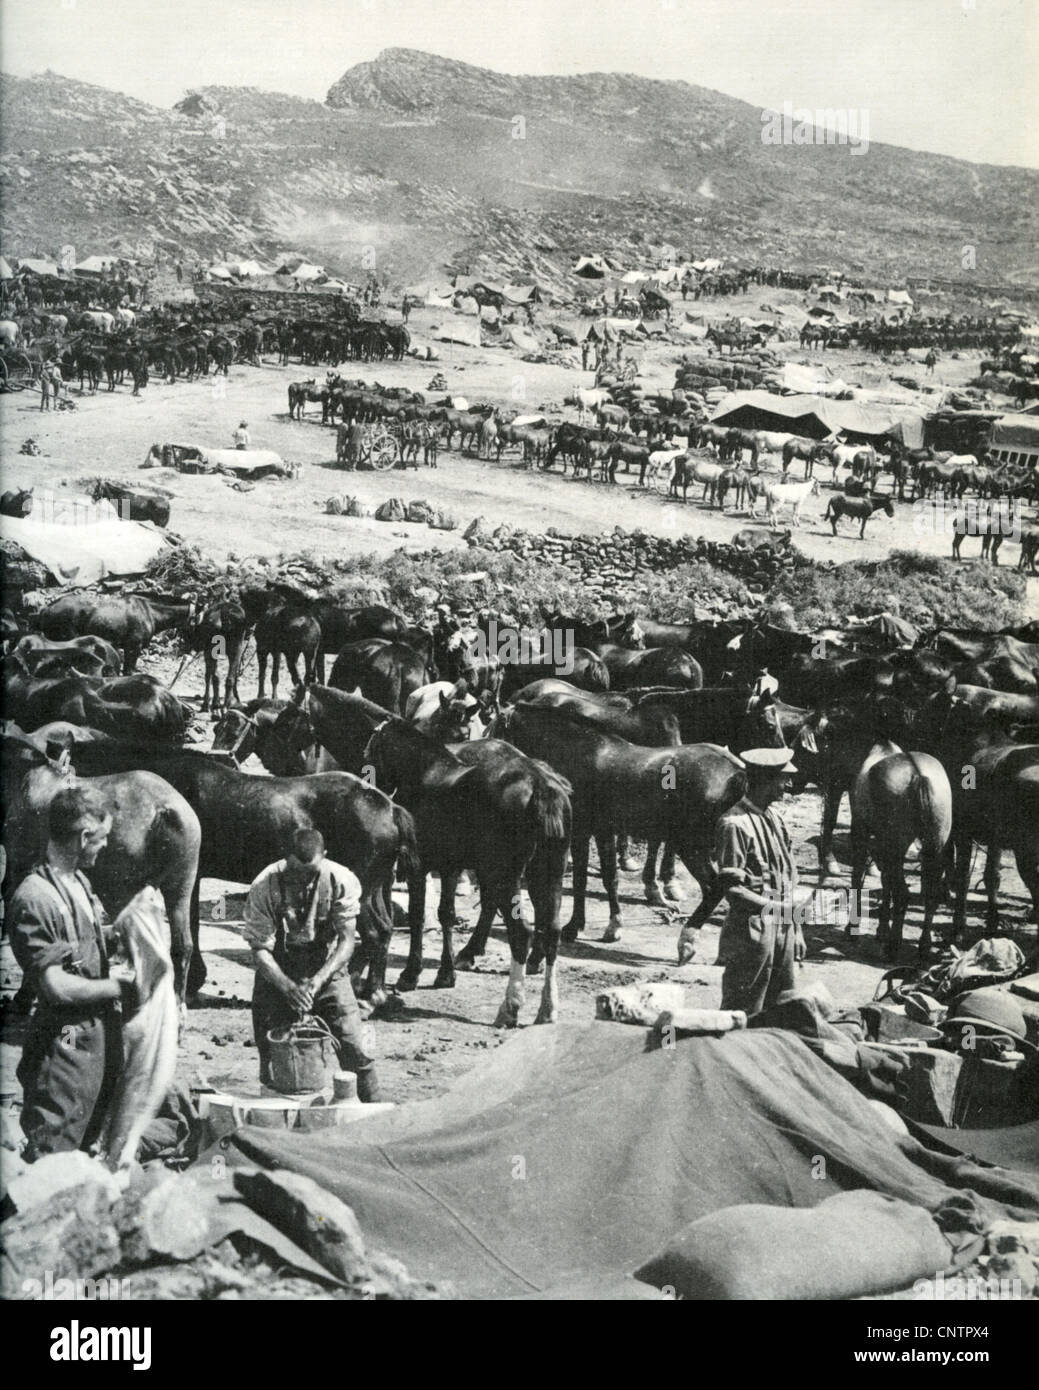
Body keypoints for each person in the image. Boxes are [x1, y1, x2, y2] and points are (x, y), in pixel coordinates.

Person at [8, 785, 129, 1160]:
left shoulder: (79, 884)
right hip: (64, 1052)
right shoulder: (35, 898)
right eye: (102, 839)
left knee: (87, 1158)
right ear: (83, 837)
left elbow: (89, 942)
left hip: (96, 1046)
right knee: (53, 1157)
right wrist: (119, 986)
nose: (105, 847)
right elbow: (55, 985)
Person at [244, 829, 382, 1102]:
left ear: (325, 858)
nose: (303, 880)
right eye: (295, 872)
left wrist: (318, 981)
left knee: (355, 1048)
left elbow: (346, 942)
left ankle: (376, 1113)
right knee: (275, 1052)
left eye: (311, 872)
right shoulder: (264, 885)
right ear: (285, 860)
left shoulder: (341, 879)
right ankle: (278, 1127)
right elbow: (259, 949)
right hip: (278, 972)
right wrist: (288, 987)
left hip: (328, 971)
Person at [714, 747, 806, 1017]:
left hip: (782, 928)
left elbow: (789, 878)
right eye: (783, 778)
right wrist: (777, 910)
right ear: (766, 779)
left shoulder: (775, 818)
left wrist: (795, 930)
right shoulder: (734, 824)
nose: (788, 785)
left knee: (783, 1008)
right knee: (744, 1011)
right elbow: (732, 890)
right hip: (751, 934)